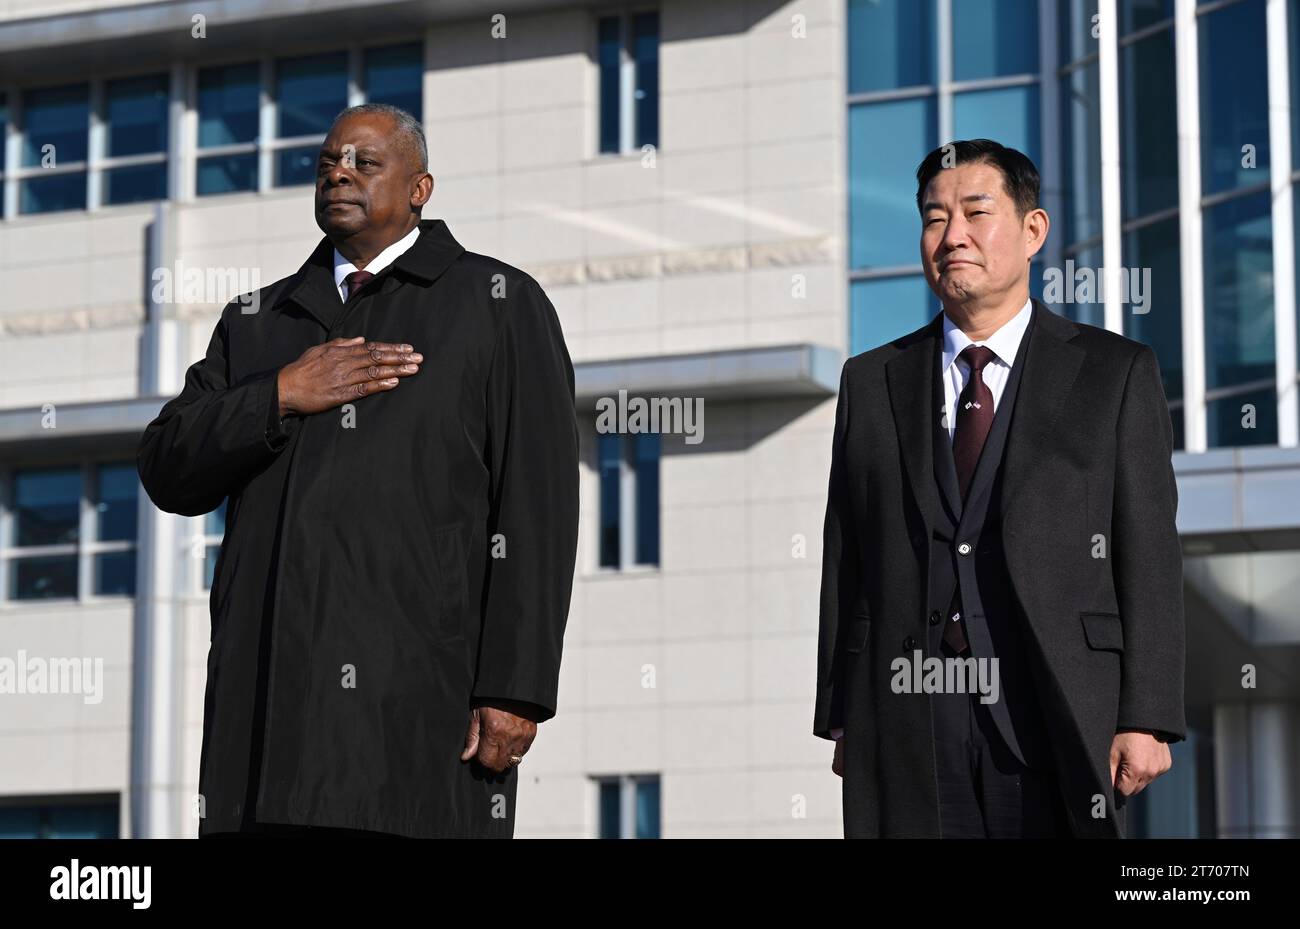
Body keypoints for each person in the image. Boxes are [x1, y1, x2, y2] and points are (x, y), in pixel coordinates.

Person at [138, 103, 579, 838]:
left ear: (420, 188)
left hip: (417, 714)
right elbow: (166, 466)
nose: (339, 173)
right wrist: (279, 394)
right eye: (327, 163)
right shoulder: (258, 320)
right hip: (265, 725)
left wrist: (517, 687)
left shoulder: (497, 304)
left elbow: (537, 507)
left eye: (365, 163)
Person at [814, 139, 1184, 838]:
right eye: (933, 218)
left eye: (975, 212)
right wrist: (840, 710)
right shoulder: (870, 382)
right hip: (907, 714)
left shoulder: (1114, 372)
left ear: (1033, 229)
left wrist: (1147, 711)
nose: (952, 235)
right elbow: (847, 554)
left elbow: (1149, 550)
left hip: (1057, 703)